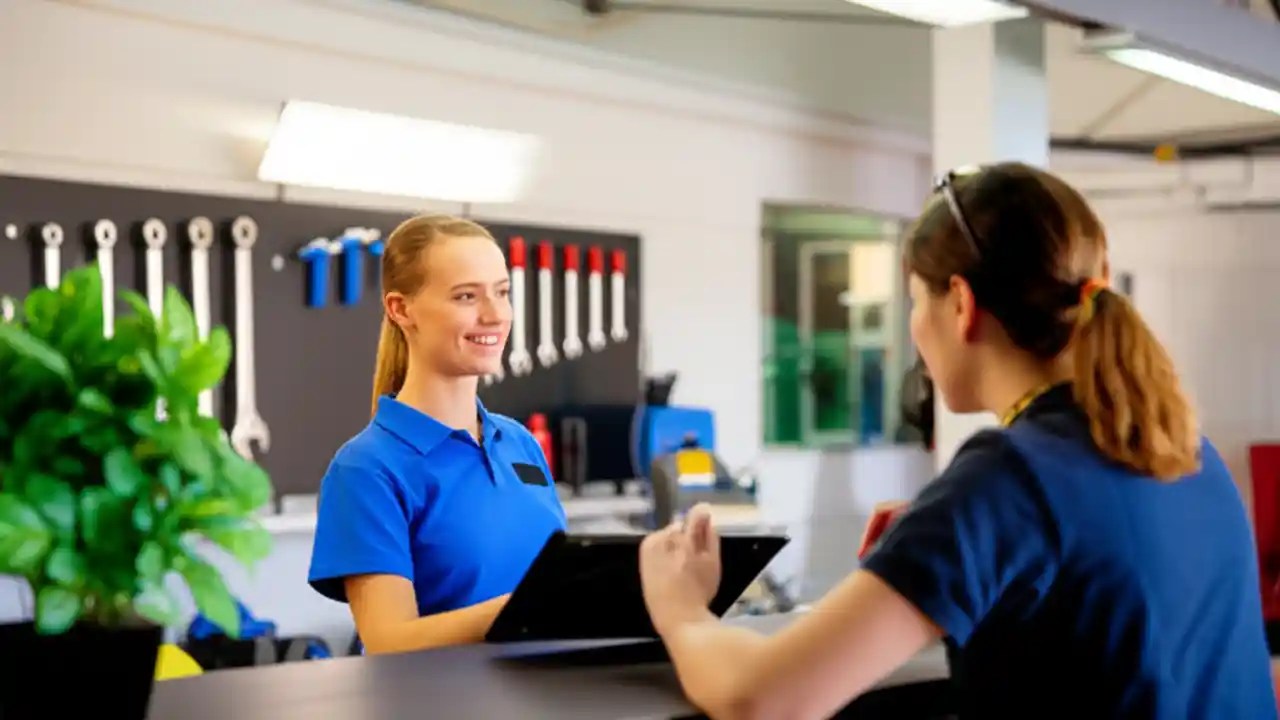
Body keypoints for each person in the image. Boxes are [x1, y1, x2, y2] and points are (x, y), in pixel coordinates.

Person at [639, 163, 1276, 719]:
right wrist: (954, 548)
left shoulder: (1011, 476)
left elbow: (764, 700)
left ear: (962, 305)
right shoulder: (1184, 451)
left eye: (915, 301)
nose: (914, 328)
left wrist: (682, 609)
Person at [308, 214, 567, 655]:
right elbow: (389, 641)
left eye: (502, 293)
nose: (494, 315)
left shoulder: (520, 443)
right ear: (401, 309)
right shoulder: (366, 469)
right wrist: (527, 610)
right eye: (467, 296)